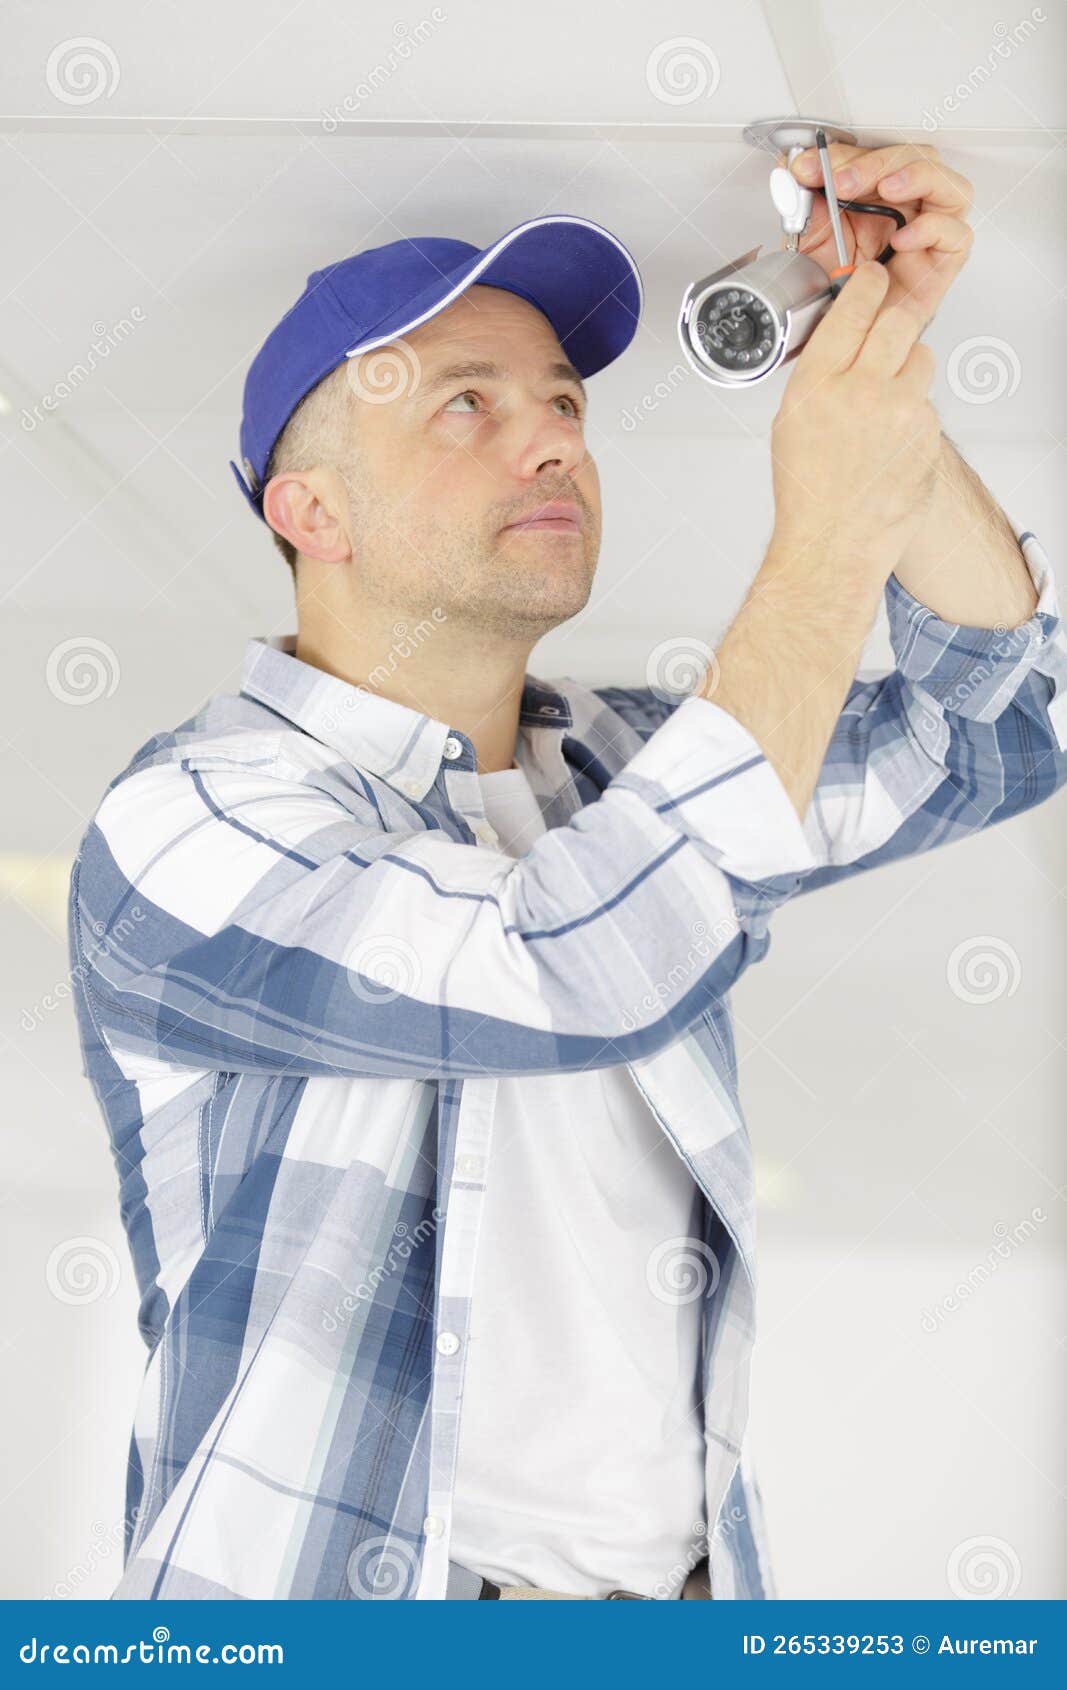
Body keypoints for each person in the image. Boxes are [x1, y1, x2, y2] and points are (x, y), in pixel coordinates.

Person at [68, 141, 1067, 1601]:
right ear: (310, 513)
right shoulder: (190, 820)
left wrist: (884, 389)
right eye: (465, 405)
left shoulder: (615, 770)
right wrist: (827, 536)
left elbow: (993, 734)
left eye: (563, 404)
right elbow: (580, 961)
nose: (553, 442)